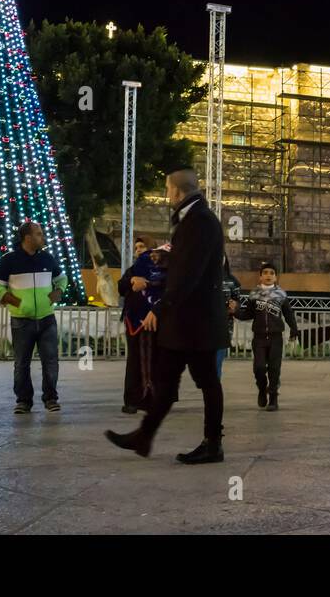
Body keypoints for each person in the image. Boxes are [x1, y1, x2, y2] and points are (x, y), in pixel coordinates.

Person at [105, 168, 229, 464]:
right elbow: (188, 263)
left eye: (167, 188)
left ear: (177, 191)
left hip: (196, 322)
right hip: (186, 321)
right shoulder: (192, 218)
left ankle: (213, 444)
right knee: (166, 380)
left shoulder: (200, 220)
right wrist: (168, 258)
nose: (166, 194)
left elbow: (191, 274)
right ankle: (144, 436)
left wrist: (159, 308)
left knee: (207, 381)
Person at [0, 221, 68, 414]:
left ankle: (51, 398)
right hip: (21, 320)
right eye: (39, 234)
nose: (43, 237)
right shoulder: (9, 260)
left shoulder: (47, 258)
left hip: (47, 318)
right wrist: (17, 303)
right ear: (28, 238)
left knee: (50, 361)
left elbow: (62, 278)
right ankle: (24, 401)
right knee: (21, 363)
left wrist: (57, 293)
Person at [233, 262, 298, 410]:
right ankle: (262, 389)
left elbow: (288, 314)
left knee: (274, 368)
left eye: (272, 273)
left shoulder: (281, 295)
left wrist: (294, 329)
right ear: (260, 276)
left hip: (276, 337)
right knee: (259, 368)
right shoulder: (254, 295)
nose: (268, 275)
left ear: (276, 277)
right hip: (259, 337)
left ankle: (273, 398)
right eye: (265, 273)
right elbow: (247, 314)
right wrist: (235, 311)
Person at [117, 242, 168, 414]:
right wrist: (131, 280)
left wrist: (148, 284)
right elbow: (121, 286)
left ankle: (152, 399)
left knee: (154, 360)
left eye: (142, 246)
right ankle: (132, 400)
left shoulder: (166, 269)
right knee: (134, 361)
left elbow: (170, 288)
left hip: (155, 321)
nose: (139, 250)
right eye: (137, 247)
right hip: (133, 320)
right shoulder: (134, 269)